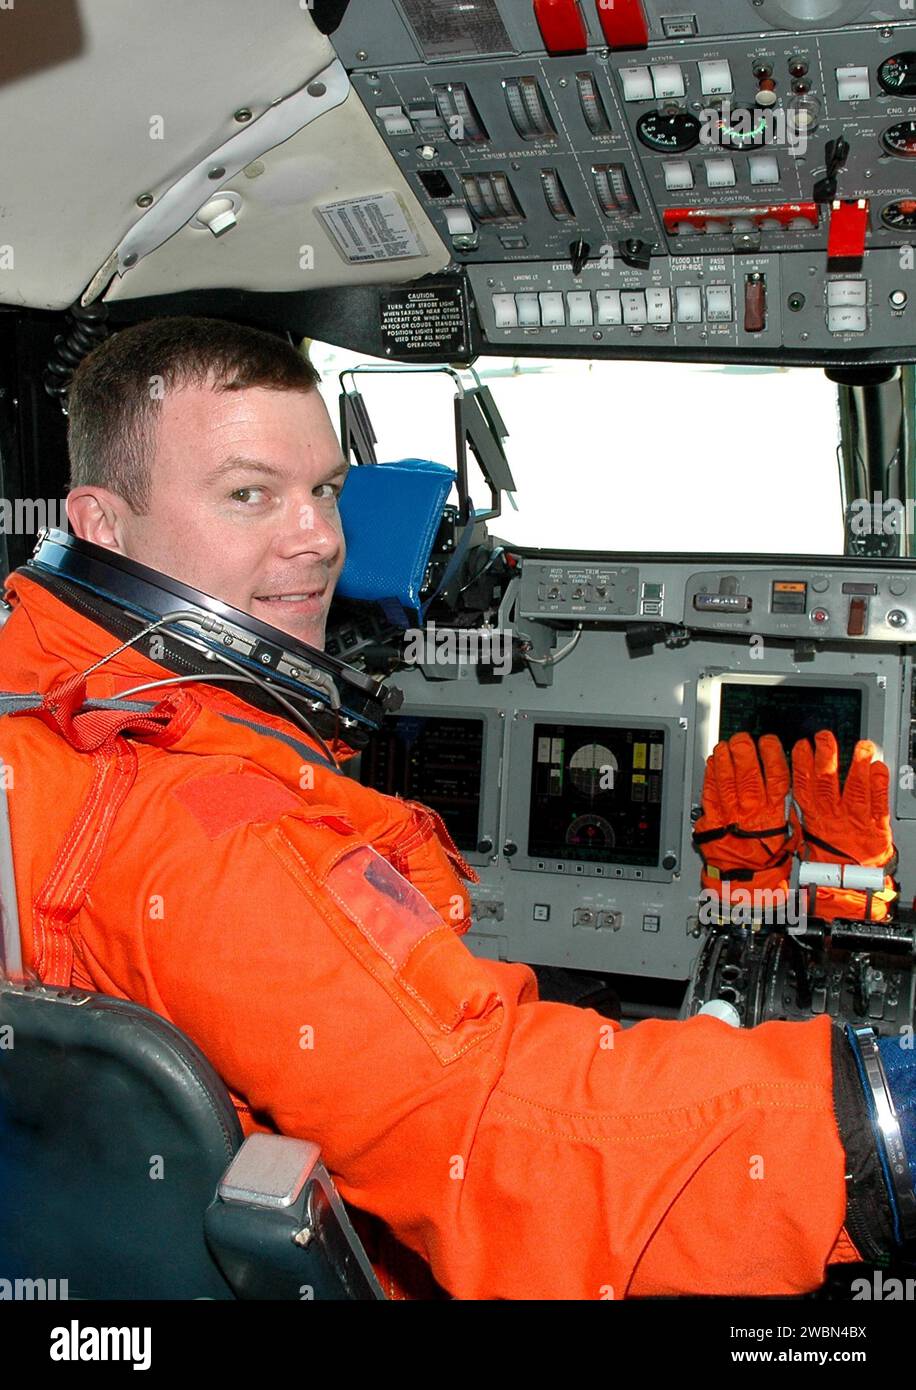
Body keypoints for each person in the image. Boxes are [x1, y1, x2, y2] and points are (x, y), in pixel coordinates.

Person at [0, 315, 909, 1299]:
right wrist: (870, 1118)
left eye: (325, 490)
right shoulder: (219, 828)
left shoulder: (40, 710)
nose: (316, 540)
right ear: (99, 521)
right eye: (247, 495)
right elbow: (502, 1136)